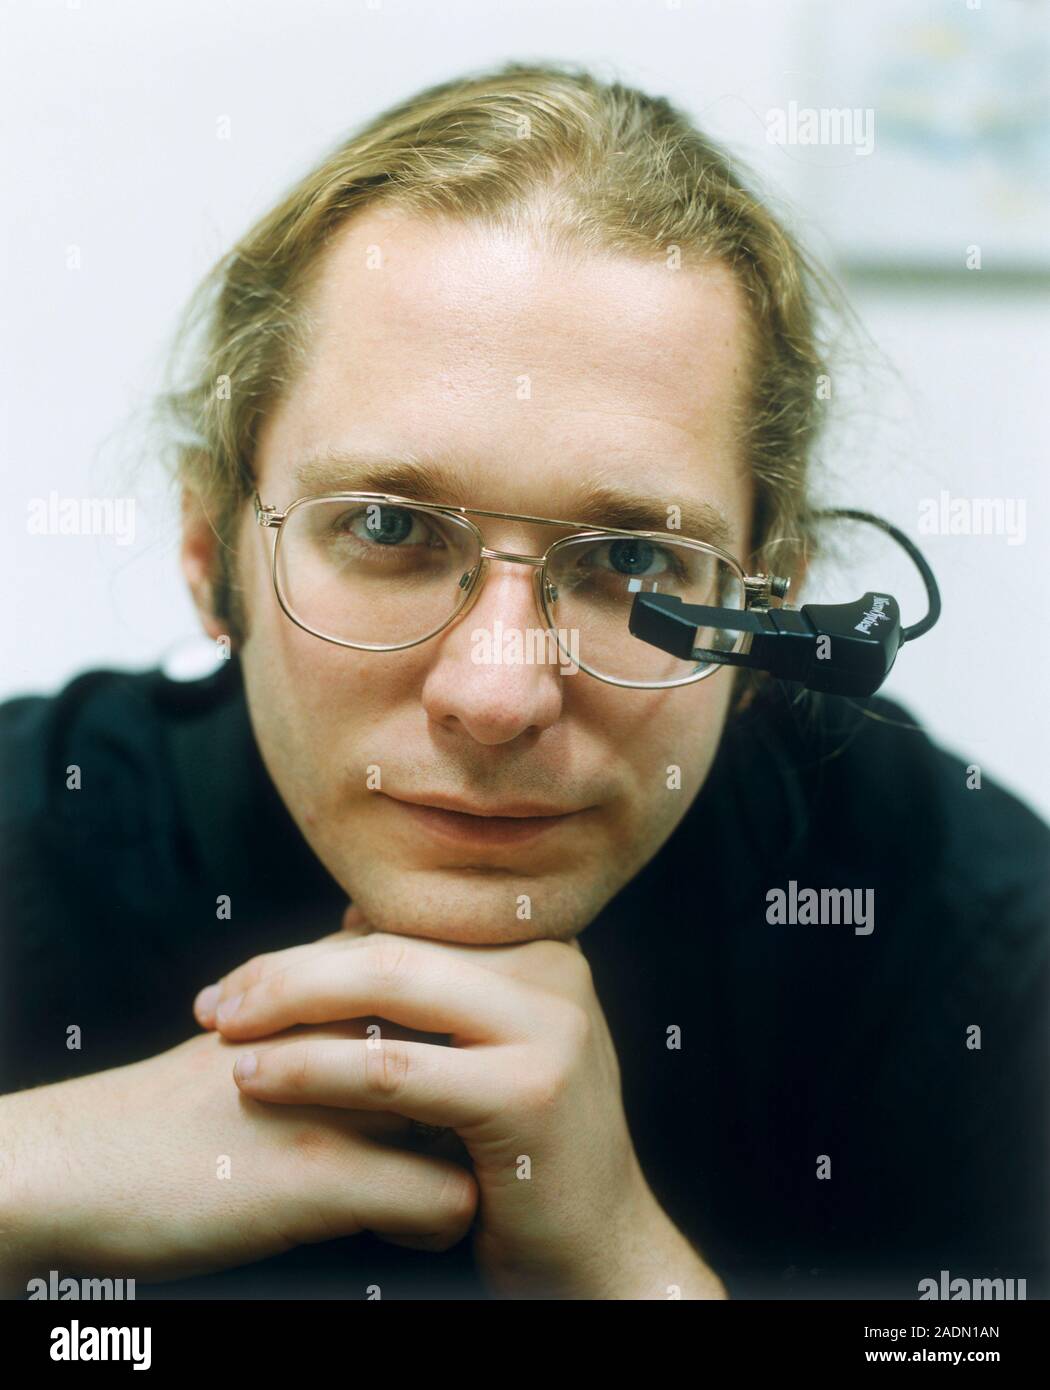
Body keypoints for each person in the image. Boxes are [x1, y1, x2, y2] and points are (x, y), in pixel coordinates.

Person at [1, 61, 1046, 1302]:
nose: (497, 698)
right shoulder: (29, 842)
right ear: (205, 549)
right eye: (389, 531)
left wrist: (625, 1269)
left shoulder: (952, 924)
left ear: (765, 605)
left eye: (632, 562)